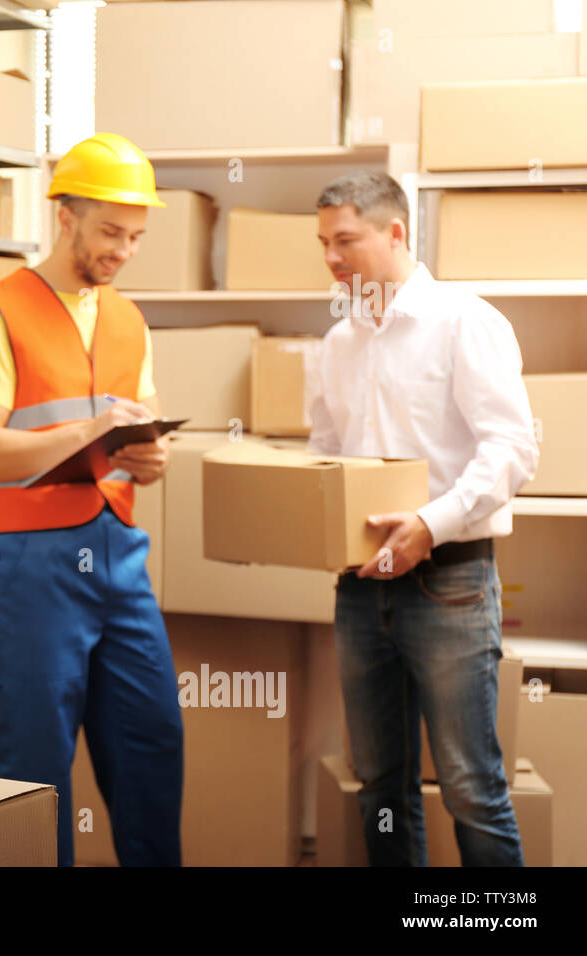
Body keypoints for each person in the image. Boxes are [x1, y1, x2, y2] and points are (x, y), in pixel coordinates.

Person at [0, 133, 183, 867]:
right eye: (111, 231)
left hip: (120, 558)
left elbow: (139, 449)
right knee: (33, 761)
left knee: (152, 741)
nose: (124, 249)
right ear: (66, 217)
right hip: (28, 564)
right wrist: (89, 431)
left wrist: (151, 457)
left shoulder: (129, 320)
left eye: (136, 236)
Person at [309, 170, 539, 866]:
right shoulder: (338, 344)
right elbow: (326, 452)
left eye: (345, 239)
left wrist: (429, 525)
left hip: (450, 583)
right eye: (323, 243)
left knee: (471, 786)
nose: (332, 258)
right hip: (361, 586)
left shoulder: (465, 322)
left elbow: (513, 449)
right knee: (379, 786)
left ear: (396, 232)